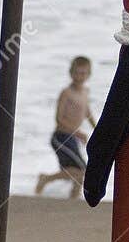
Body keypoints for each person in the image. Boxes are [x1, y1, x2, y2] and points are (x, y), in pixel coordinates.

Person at [36, 56, 96, 199]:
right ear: (71, 73)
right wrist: (77, 132)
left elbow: (87, 113)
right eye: (77, 73)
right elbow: (59, 119)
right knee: (81, 170)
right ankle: (46, 178)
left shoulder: (85, 92)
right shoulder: (66, 93)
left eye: (83, 73)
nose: (79, 77)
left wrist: (97, 129)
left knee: (78, 171)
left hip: (72, 138)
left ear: (89, 74)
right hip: (61, 137)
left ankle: (73, 199)